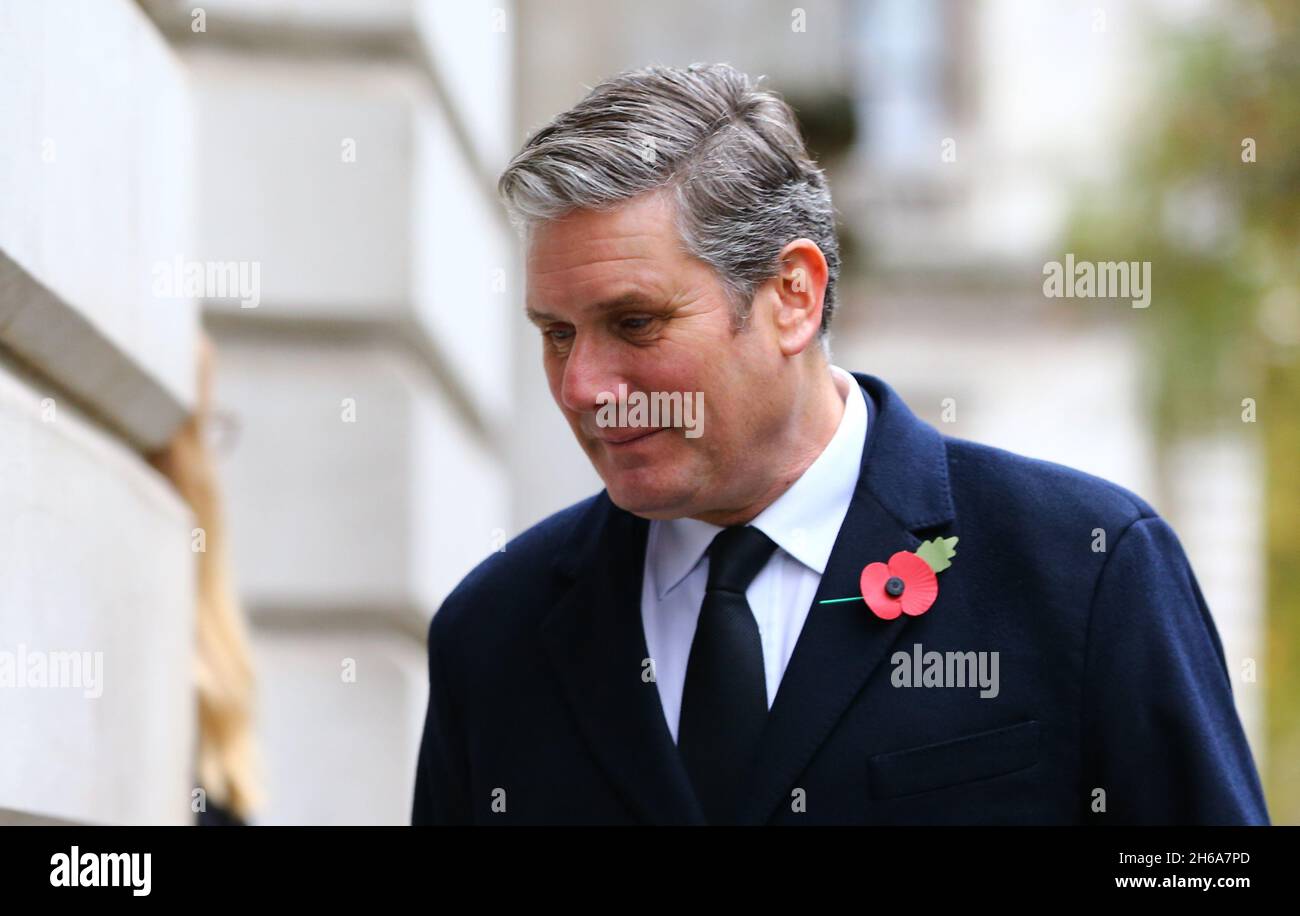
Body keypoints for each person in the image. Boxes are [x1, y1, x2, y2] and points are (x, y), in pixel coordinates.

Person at [411, 64, 1269, 825]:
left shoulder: (1084, 569)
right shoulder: (494, 635)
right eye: (557, 334)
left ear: (794, 295)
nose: (583, 386)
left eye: (634, 323)